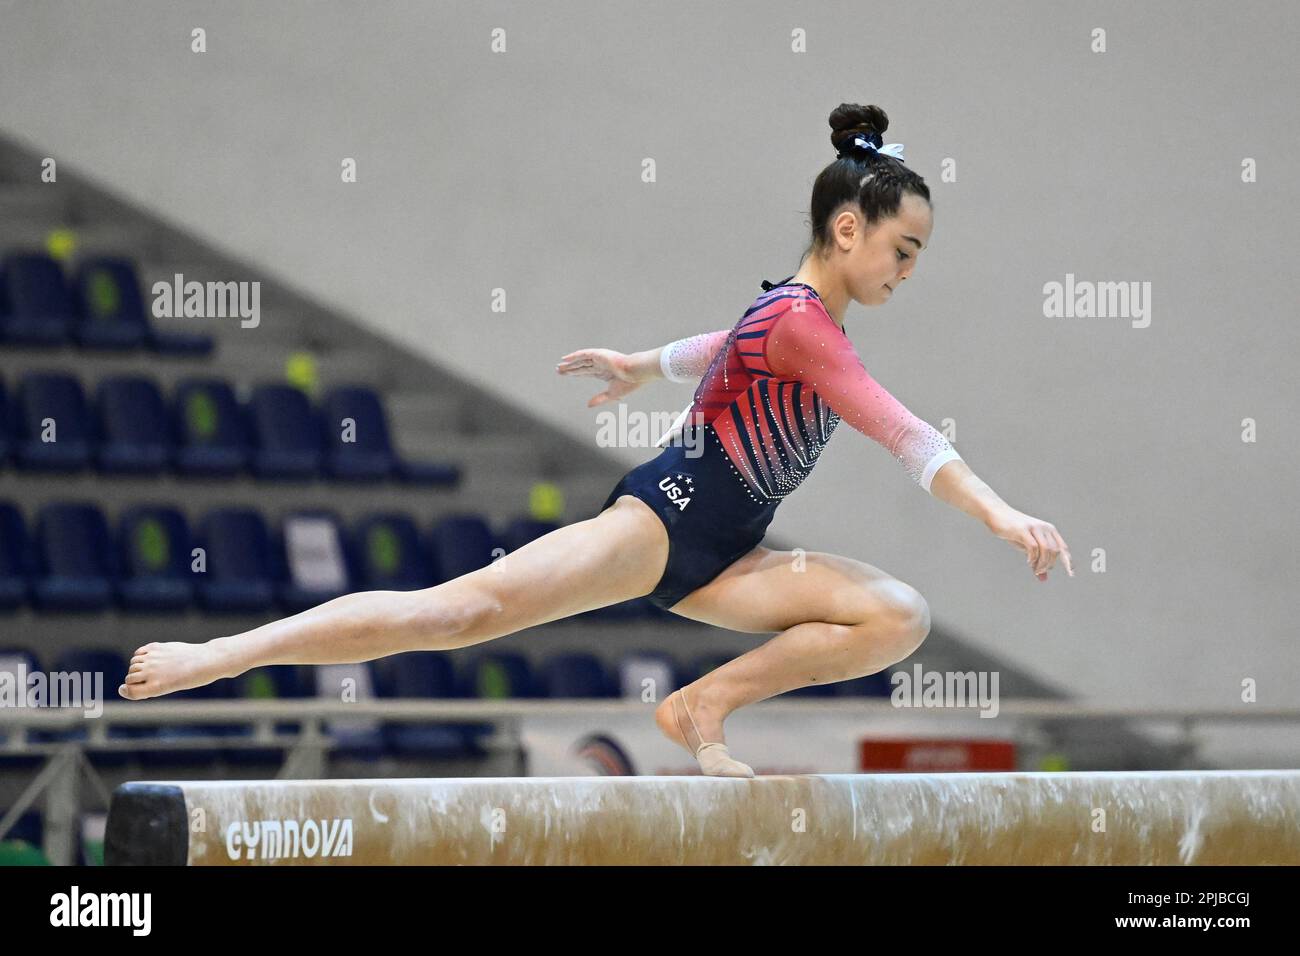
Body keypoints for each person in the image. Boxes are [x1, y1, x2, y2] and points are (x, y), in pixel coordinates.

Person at [119, 102, 1072, 778]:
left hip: (730, 554)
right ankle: (223, 655)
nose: (909, 270)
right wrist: (1000, 512)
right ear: (848, 226)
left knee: (896, 617)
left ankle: (701, 705)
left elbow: (724, 344)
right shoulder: (807, 328)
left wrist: (643, 361)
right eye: (903, 250)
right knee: (453, 614)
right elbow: (903, 434)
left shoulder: (794, 319)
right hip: (663, 524)